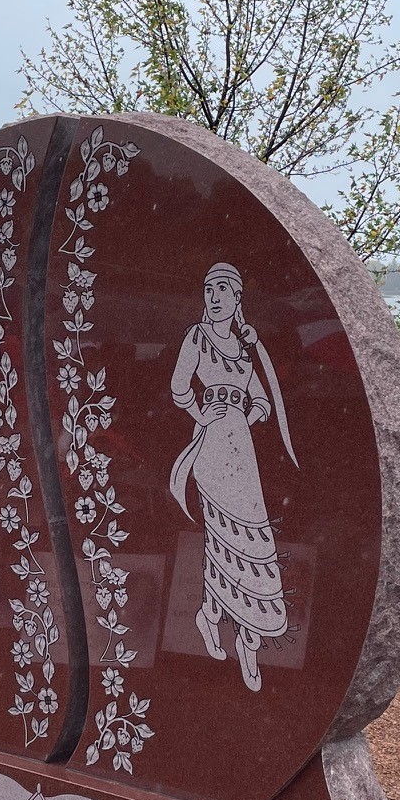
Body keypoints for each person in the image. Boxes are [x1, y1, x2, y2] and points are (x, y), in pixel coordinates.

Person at [168, 262, 298, 692]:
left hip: (243, 452)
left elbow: (261, 397)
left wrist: (251, 413)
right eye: (209, 289)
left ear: (237, 297)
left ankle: (247, 637)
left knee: (251, 539)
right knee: (221, 538)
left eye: (223, 289)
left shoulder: (245, 348)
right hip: (211, 445)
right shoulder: (197, 337)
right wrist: (201, 414)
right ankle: (213, 616)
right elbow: (178, 385)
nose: (214, 296)